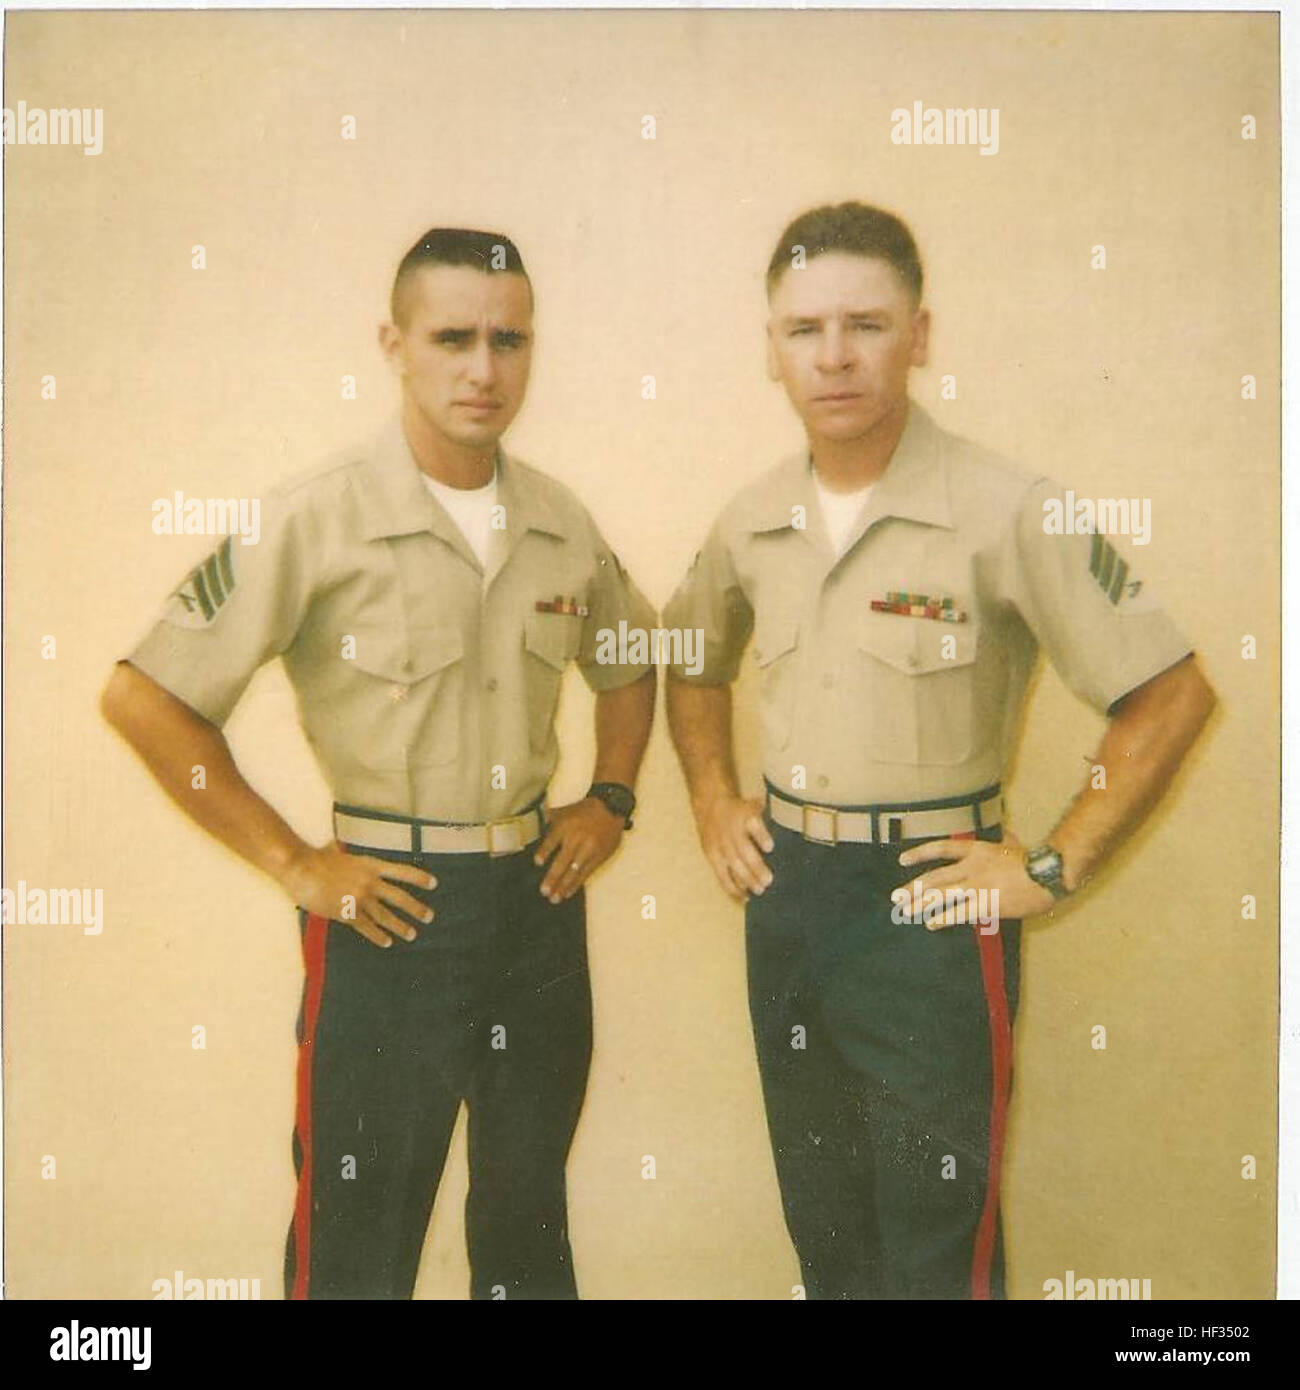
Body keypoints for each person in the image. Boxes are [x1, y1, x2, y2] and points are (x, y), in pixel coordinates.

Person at [662, 201, 1215, 1300]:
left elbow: (1170, 693)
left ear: (919, 335)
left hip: (930, 902)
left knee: (933, 1251)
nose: (834, 356)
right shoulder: (752, 517)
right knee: (826, 1236)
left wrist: (1050, 864)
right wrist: (715, 799)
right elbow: (689, 659)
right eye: (804, 328)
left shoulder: (1008, 507)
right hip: (790, 897)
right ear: (769, 349)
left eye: (865, 323)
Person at [101, 227, 657, 1300]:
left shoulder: (558, 518)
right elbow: (146, 696)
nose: (482, 370)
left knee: (527, 1219)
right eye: (452, 338)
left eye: (509, 340)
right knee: (358, 1234)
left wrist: (612, 796)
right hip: (388, 912)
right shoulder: (318, 513)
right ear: (393, 342)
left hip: (536, 907)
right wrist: (297, 862)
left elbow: (630, 659)